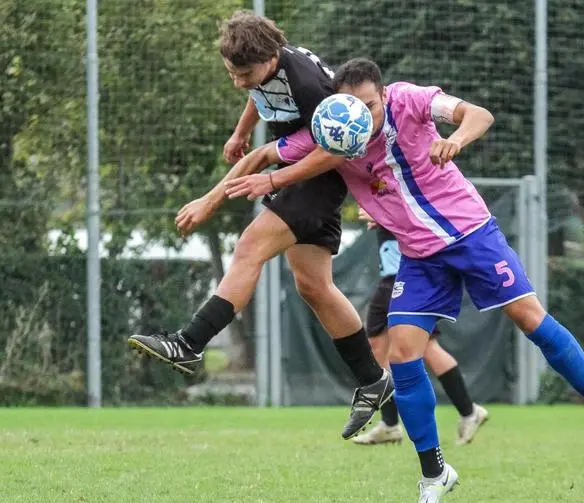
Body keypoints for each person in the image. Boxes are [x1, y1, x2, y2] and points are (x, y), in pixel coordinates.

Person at [221, 58, 584, 503]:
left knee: (530, 320)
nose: (364, 119)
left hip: (471, 233)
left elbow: (478, 114)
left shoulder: (411, 100)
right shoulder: (335, 132)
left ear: (383, 95)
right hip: (420, 256)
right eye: (354, 110)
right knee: (404, 355)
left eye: (370, 106)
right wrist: (254, 176)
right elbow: (277, 154)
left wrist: (456, 139)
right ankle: (434, 475)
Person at [126, 12, 392, 439]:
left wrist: (211, 200)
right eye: (231, 73)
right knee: (314, 286)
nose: (238, 81)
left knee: (249, 246)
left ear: (271, 57)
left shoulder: (308, 86)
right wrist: (240, 132)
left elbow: (340, 149)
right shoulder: (268, 71)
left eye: (244, 73)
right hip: (301, 171)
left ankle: (188, 343)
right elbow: (260, 96)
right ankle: (374, 380)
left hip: (319, 175)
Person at [354, 210, 489, 446]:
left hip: (405, 277)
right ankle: (392, 424)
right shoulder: (387, 185)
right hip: (398, 277)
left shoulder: (410, 186)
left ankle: (467, 412)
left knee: (420, 348)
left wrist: (384, 215)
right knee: (385, 349)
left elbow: (417, 214)